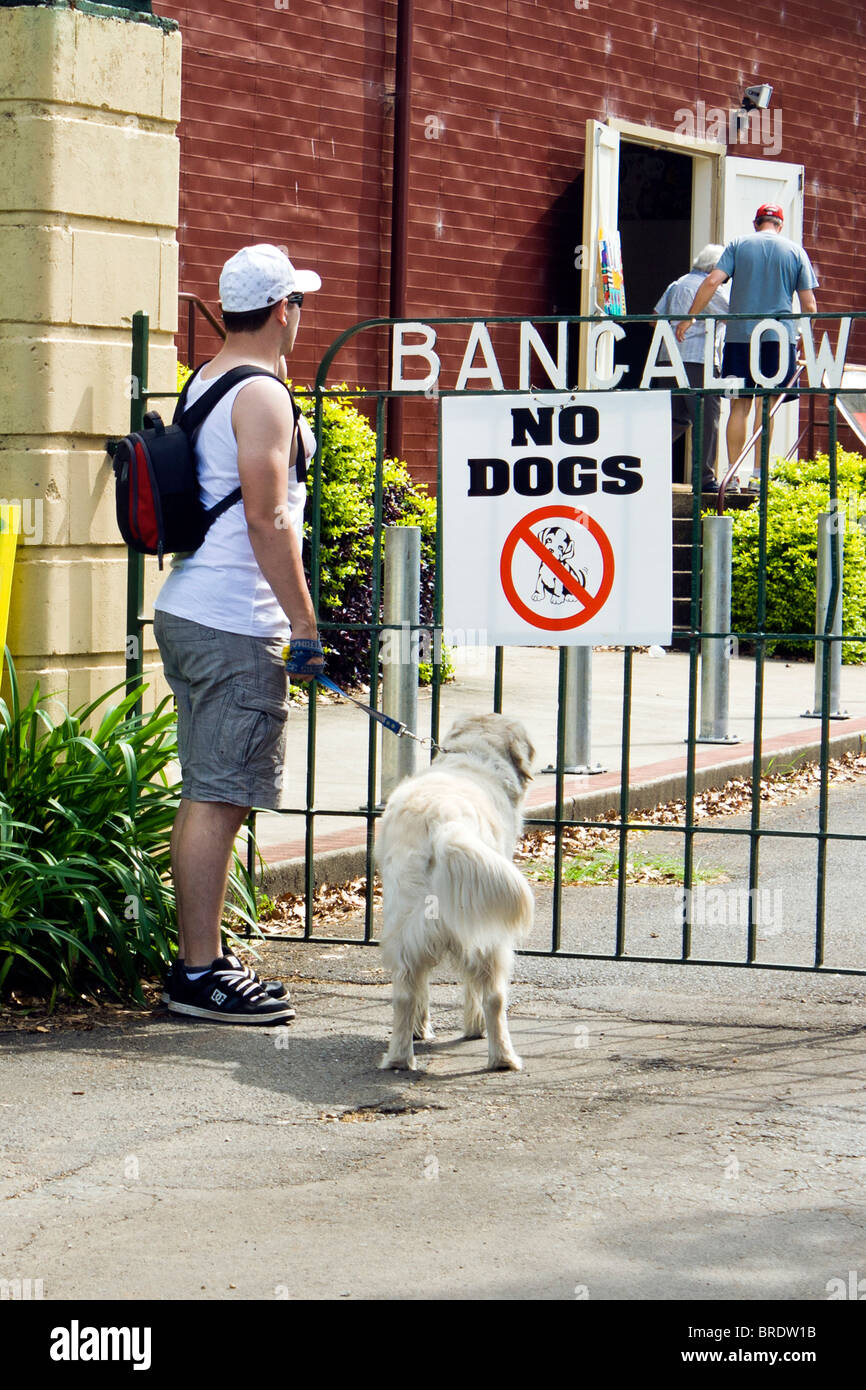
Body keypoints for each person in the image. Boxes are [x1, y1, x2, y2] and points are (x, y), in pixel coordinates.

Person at [153, 243, 323, 1024]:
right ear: (283, 308)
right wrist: (303, 622)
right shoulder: (262, 395)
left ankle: (205, 958)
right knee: (220, 794)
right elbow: (268, 515)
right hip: (233, 617)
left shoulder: (207, 380)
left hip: (191, 605)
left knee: (208, 787)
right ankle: (197, 974)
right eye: (301, 305)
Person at [676, 204, 818, 491]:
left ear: (756, 223)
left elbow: (713, 280)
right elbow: (809, 304)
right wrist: (802, 336)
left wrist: (690, 316)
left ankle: (731, 476)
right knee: (766, 408)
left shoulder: (738, 244)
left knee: (738, 407)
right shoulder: (795, 251)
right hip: (778, 339)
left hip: (740, 336)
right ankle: (758, 476)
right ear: (779, 224)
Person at [655, 245, 730, 491]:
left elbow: (654, 316)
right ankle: (705, 479)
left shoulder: (676, 284)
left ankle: (647, 465)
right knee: (706, 419)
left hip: (666, 359)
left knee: (675, 419)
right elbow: (735, 315)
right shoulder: (708, 288)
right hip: (697, 360)